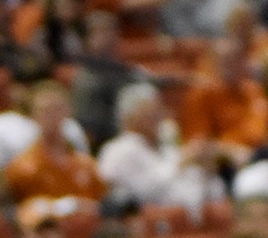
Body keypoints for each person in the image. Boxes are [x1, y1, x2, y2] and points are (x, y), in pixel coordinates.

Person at [96, 83, 224, 213]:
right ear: (131, 116)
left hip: (188, 220)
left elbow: (212, 193)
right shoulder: (120, 150)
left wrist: (207, 172)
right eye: (150, 113)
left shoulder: (168, 150)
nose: (158, 118)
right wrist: (183, 160)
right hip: (149, 224)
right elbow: (146, 194)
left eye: (158, 111)